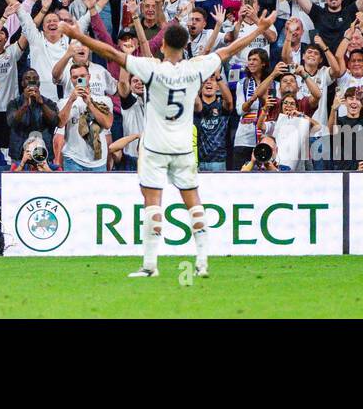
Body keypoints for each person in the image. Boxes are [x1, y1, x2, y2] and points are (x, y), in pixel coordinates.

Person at [61, 19, 261, 278]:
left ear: (163, 45)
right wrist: (257, 29)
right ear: (186, 44)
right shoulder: (196, 69)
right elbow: (229, 50)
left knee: (152, 203)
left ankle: (150, 265)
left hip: (155, 148)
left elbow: (111, 53)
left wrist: (78, 34)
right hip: (183, 148)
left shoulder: (152, 69)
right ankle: (202, 261)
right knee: (194, 203)